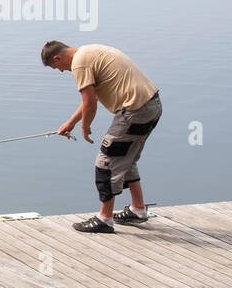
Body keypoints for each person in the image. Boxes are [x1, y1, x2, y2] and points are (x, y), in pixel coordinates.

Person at [41, 41, 161, 233]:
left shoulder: (79, 64)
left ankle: (104, 219)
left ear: (57, 57)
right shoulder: (90, 51)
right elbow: (92, 98)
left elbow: (89, 103)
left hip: (134, 111)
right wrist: (71, 123)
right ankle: (138, 209)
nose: (62, 71)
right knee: (125, 158)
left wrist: (85, 126)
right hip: (152, 106)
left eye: (58, 67)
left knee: (105, 163)